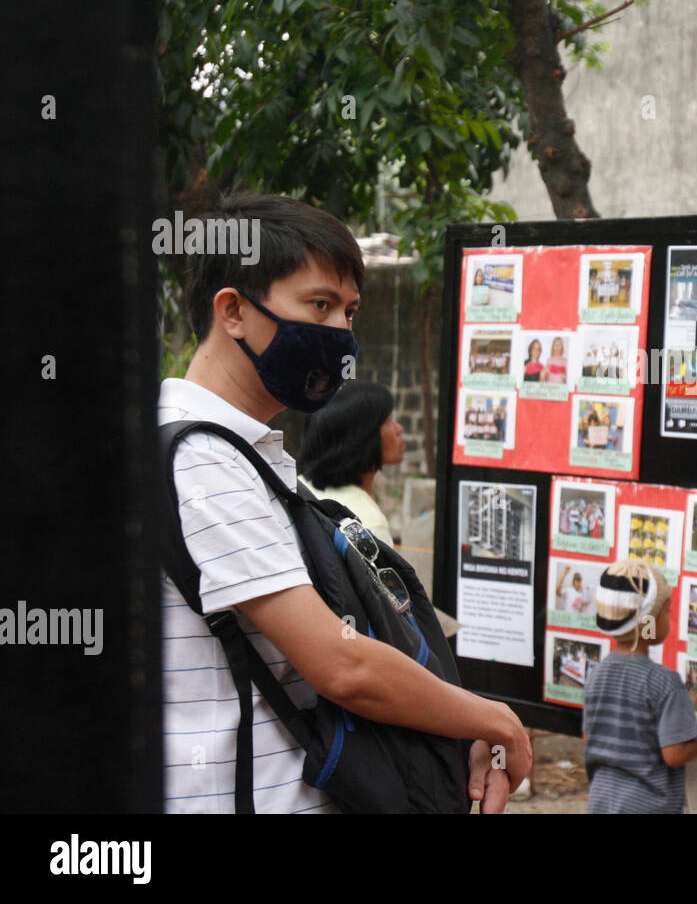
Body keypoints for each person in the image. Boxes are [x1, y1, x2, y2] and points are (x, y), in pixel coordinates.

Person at [159, 192, 530, 813]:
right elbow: (341, 665)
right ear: (233, 311)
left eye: (350, 312)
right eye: (319, 305)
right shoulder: (201, 459)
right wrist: (495, 721)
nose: (341, 334)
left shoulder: (248, 455)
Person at [582, 560, 697, 813]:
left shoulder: (596, 674)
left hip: (600, 802)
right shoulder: (664, 683)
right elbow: (674, 755)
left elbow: (590, 739)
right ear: (648, 623)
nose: (669, 617)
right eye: (667, 610)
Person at [297, 381, 402, 546]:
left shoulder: (297, 489)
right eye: (387, 421)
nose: (399, 429)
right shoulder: (368, 523)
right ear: (363, 437)